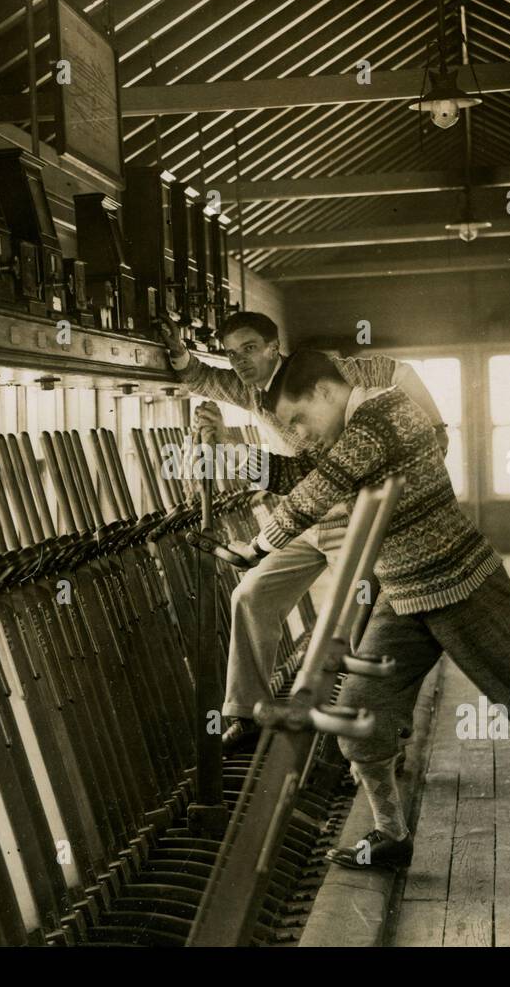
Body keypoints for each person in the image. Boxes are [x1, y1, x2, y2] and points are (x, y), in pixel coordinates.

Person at [226, 349, 510, 881]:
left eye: (297, 419)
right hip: (403, 597)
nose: (299, 432)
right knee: (359, 716)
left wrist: (258, 545)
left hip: (463, 587)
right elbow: (309, 469)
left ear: (326, 394)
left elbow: (323, 484)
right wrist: (235, 461)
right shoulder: (348, 434)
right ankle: (392, 837)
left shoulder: (386, 413)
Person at [159, 312, 448, 753]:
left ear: (275, 346)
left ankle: (384, 726)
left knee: (362, 620)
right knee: (250, 597)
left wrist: (437, 428)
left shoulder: (331, 369)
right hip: (305, 516)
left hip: (351, 515)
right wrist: (180, 355)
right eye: (232, 353)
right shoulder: (250, 388)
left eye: (249, 348)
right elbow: (203, 378)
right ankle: (246, 712)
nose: (240, 361)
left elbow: (401, 371)